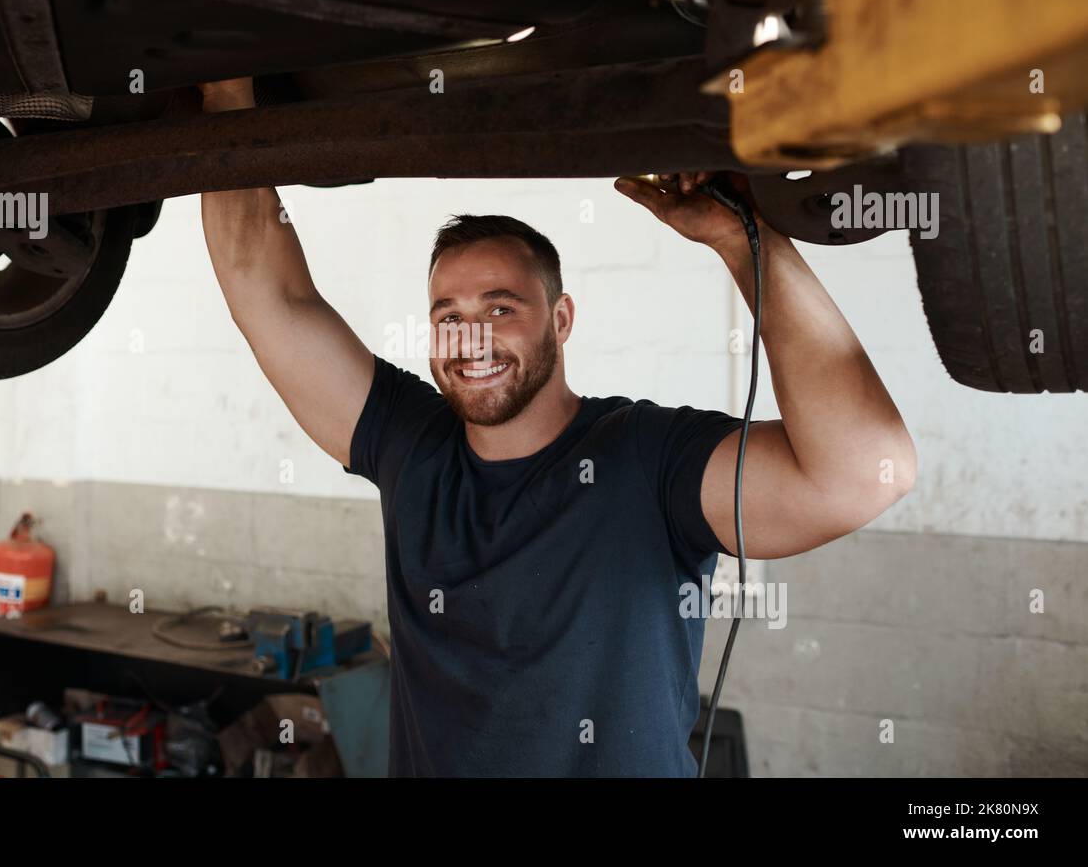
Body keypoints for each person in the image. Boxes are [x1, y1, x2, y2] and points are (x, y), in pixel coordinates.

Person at [199, 77, 916, 776]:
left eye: (501, 308)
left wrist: (746, 240)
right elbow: (267, 293)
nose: (471, 339)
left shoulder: (647, 458)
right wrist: (226, 81)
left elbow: (861, 475)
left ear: (561, 319)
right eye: (449, 316)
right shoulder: (410, 446)